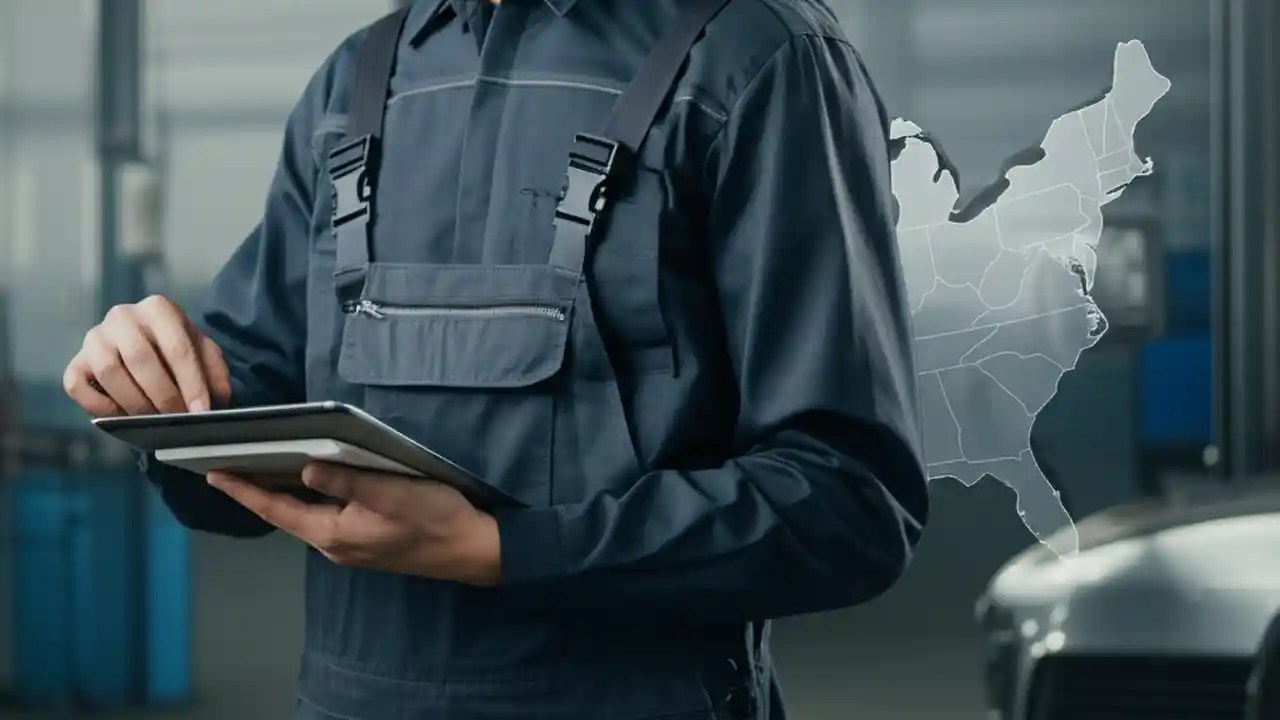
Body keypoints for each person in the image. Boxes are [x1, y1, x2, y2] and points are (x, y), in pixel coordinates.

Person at [63, 0, 928, 717]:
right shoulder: (358, 82)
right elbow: (241, 431)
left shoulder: (757, 61)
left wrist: (504, 548)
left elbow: (847, 501)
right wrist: (151, 395)